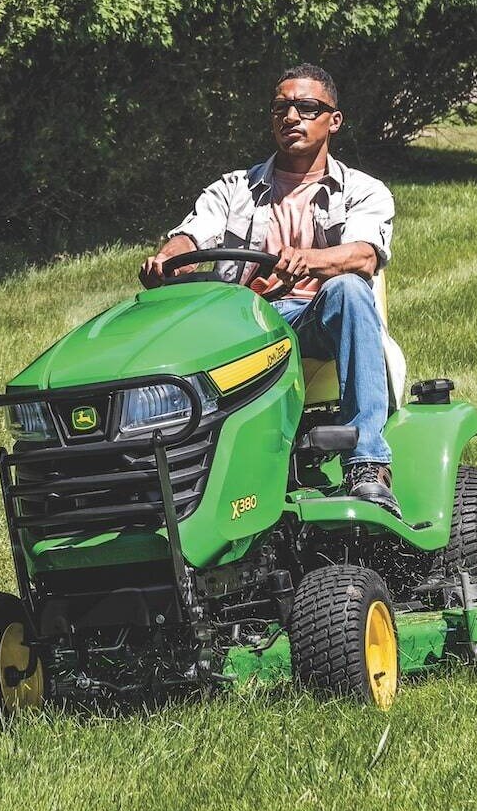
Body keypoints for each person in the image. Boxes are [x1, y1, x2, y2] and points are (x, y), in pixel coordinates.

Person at [139, 63, 400, 515]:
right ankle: (166, 479)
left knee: (350, 291)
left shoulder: (363, 191)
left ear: (333, 120)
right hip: (241, 324)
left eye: (306, 107)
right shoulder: (234, 188)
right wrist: (169, 256)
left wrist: (311, 261)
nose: (291, 117)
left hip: (312, 318)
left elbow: (364, 255)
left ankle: (368, 465)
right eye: (281, 107)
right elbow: (194, 234)